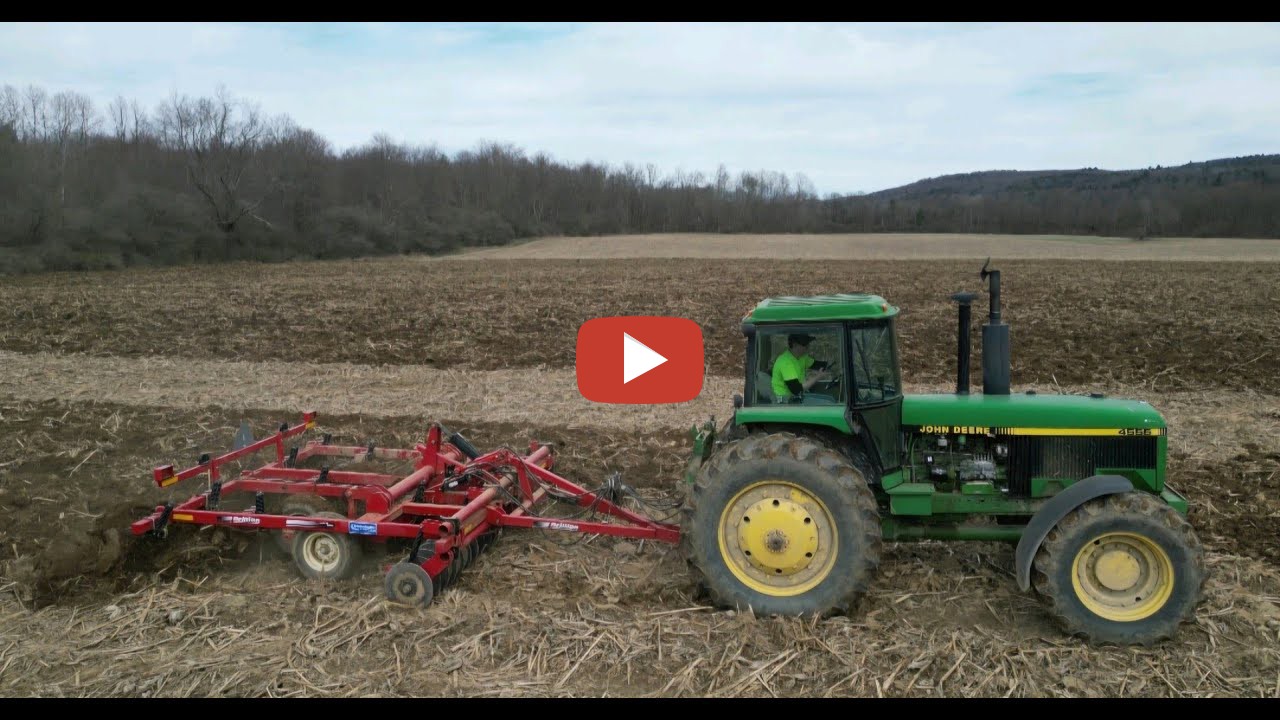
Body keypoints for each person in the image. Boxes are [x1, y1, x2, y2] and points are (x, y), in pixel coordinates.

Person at [771, 333, 831, 402]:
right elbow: (797, 389)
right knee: (827, 403)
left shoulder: (802, 357)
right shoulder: (785, 362)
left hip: (796, 397)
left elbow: (818, 365)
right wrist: (818, 377)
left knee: (829, 400)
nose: (808, 347)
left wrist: (833, 363)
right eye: (804, 344)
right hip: (785, 401)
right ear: (795, 345)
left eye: (808, 343)